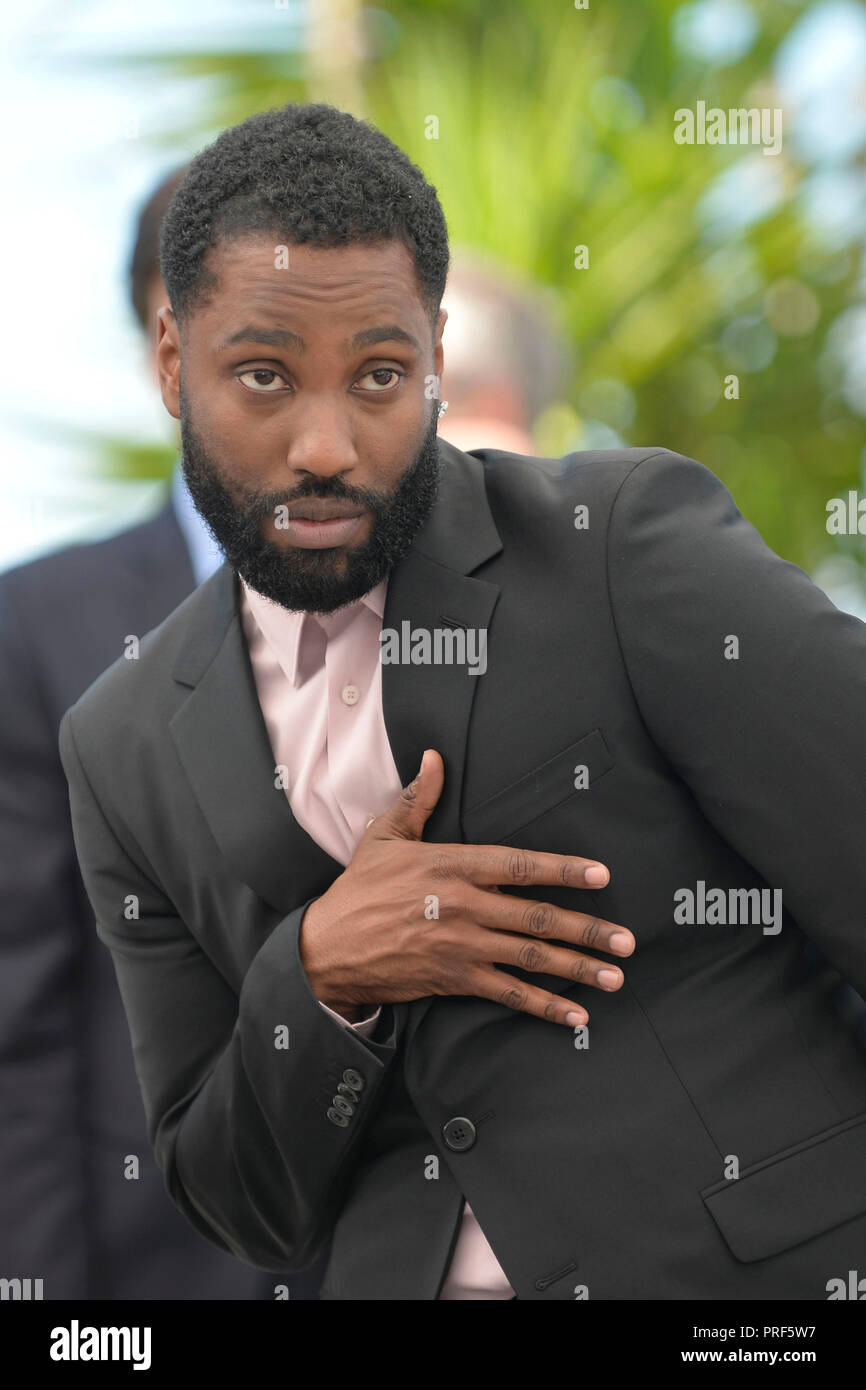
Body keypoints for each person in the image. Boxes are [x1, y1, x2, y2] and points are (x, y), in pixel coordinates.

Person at [59, 101, 866, 1300]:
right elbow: (238, 1200)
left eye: (379, 374)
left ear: (435, 352)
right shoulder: (119, 742)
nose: (323, 444)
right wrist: (322, 972)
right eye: (264, 377)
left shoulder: (615, 542)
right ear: (174, 362)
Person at [0, 165, 323, 1299]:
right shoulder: (40, 625)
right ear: (166, 346)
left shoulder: (451, 589)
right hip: (156, 1270)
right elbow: (20, 1018)